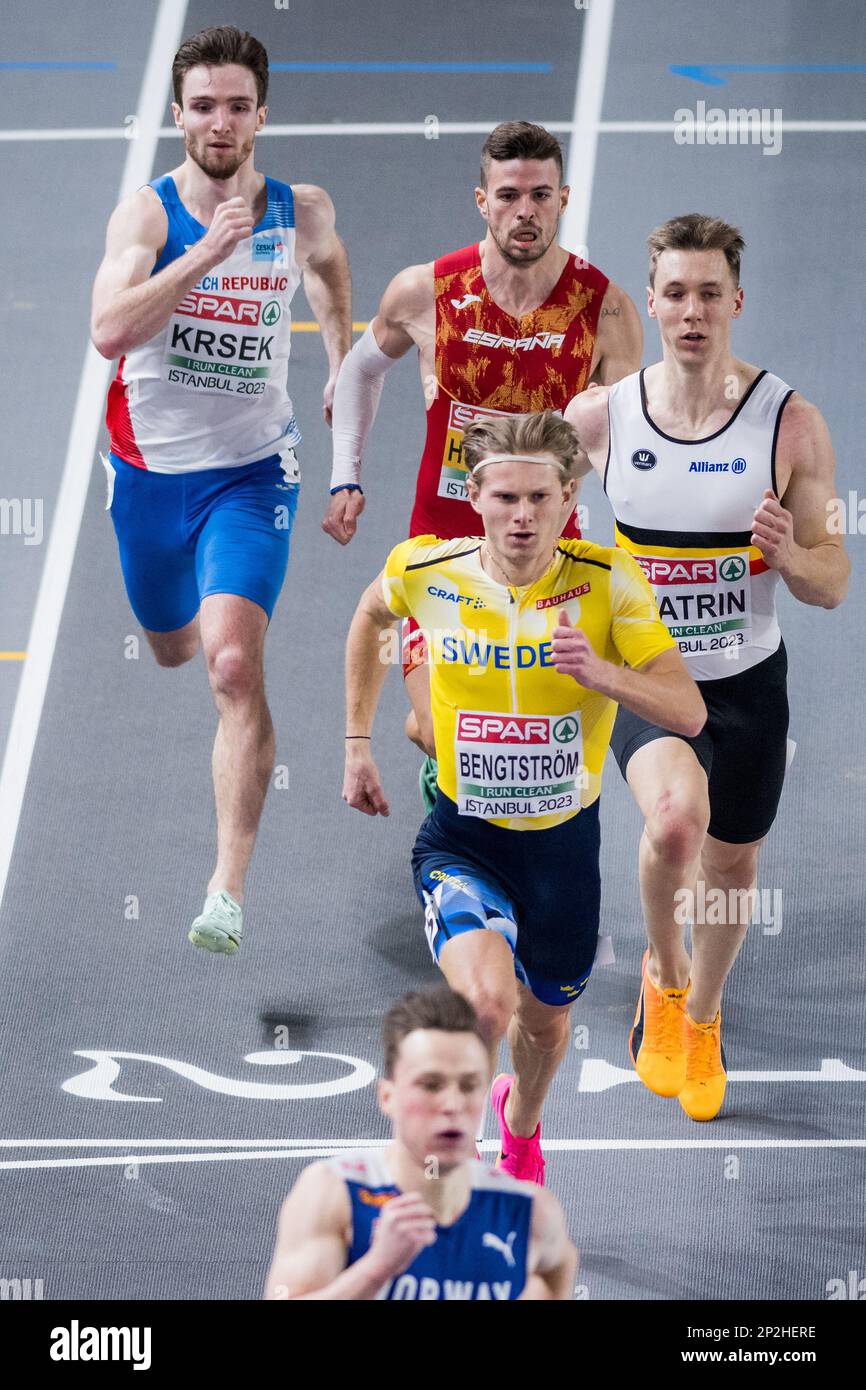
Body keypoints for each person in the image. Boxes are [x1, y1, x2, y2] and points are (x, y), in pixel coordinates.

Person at [341, 410, 705, 1183]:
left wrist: (603, 674)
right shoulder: (426, 571)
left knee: (545, 1026)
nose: (523, 517)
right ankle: (446, 1161)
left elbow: (688, 711)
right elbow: (374, 615)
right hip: (462, 839)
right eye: (505, 497)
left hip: (562, 852)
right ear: (474, 495)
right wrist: (355, 742)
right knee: (485, 1006)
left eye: (541, 498)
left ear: (569, 496)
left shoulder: (609, 584)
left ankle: (520, 1128)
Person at [565, 213, 849, 1120]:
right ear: (650, 303)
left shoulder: (791, 425)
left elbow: (834, 579)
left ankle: (706, 1019)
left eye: (709, 294)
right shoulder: (601, 419)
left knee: (732, 867)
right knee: (677, 825)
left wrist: (790, 556)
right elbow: (525, 520)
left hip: (749, 683)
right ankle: (665, 976)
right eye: (675, 293)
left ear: (737, 301)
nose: (692, 311)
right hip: (654, 677)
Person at [90, 25, 351, 954]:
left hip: (251, 474)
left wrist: (339, 358)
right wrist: (204, 256)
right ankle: (190, 600)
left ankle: (225, 891)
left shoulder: (299, 208)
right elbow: (108, 333)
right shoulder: (149, 218)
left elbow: (325, 273)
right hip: (151, 477)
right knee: (169, 649)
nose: (221, 121)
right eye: (204, 105)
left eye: (237, 105)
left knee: (232, 665)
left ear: (261, 115)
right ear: (179, 114)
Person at [324, 121, 642, 809]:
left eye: (540, 195)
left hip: (547, 544)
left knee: (531, 741)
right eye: (508, 196)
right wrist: (345, 475)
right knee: (454, 741)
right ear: (481, 200)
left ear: (563, 198)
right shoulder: (425, 292)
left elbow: (624, 440)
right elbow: (359, 372)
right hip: (442, 537)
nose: (524, 211)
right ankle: (436, 767)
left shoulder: (606, 310)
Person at [264, 984, 577, 1300]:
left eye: (469, 1085)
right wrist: (376, 1269)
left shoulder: (529, 1213)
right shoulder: (336, 1195)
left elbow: (556, 1271)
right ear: (388, 1097)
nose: (452, 1104)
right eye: (431, 1085)